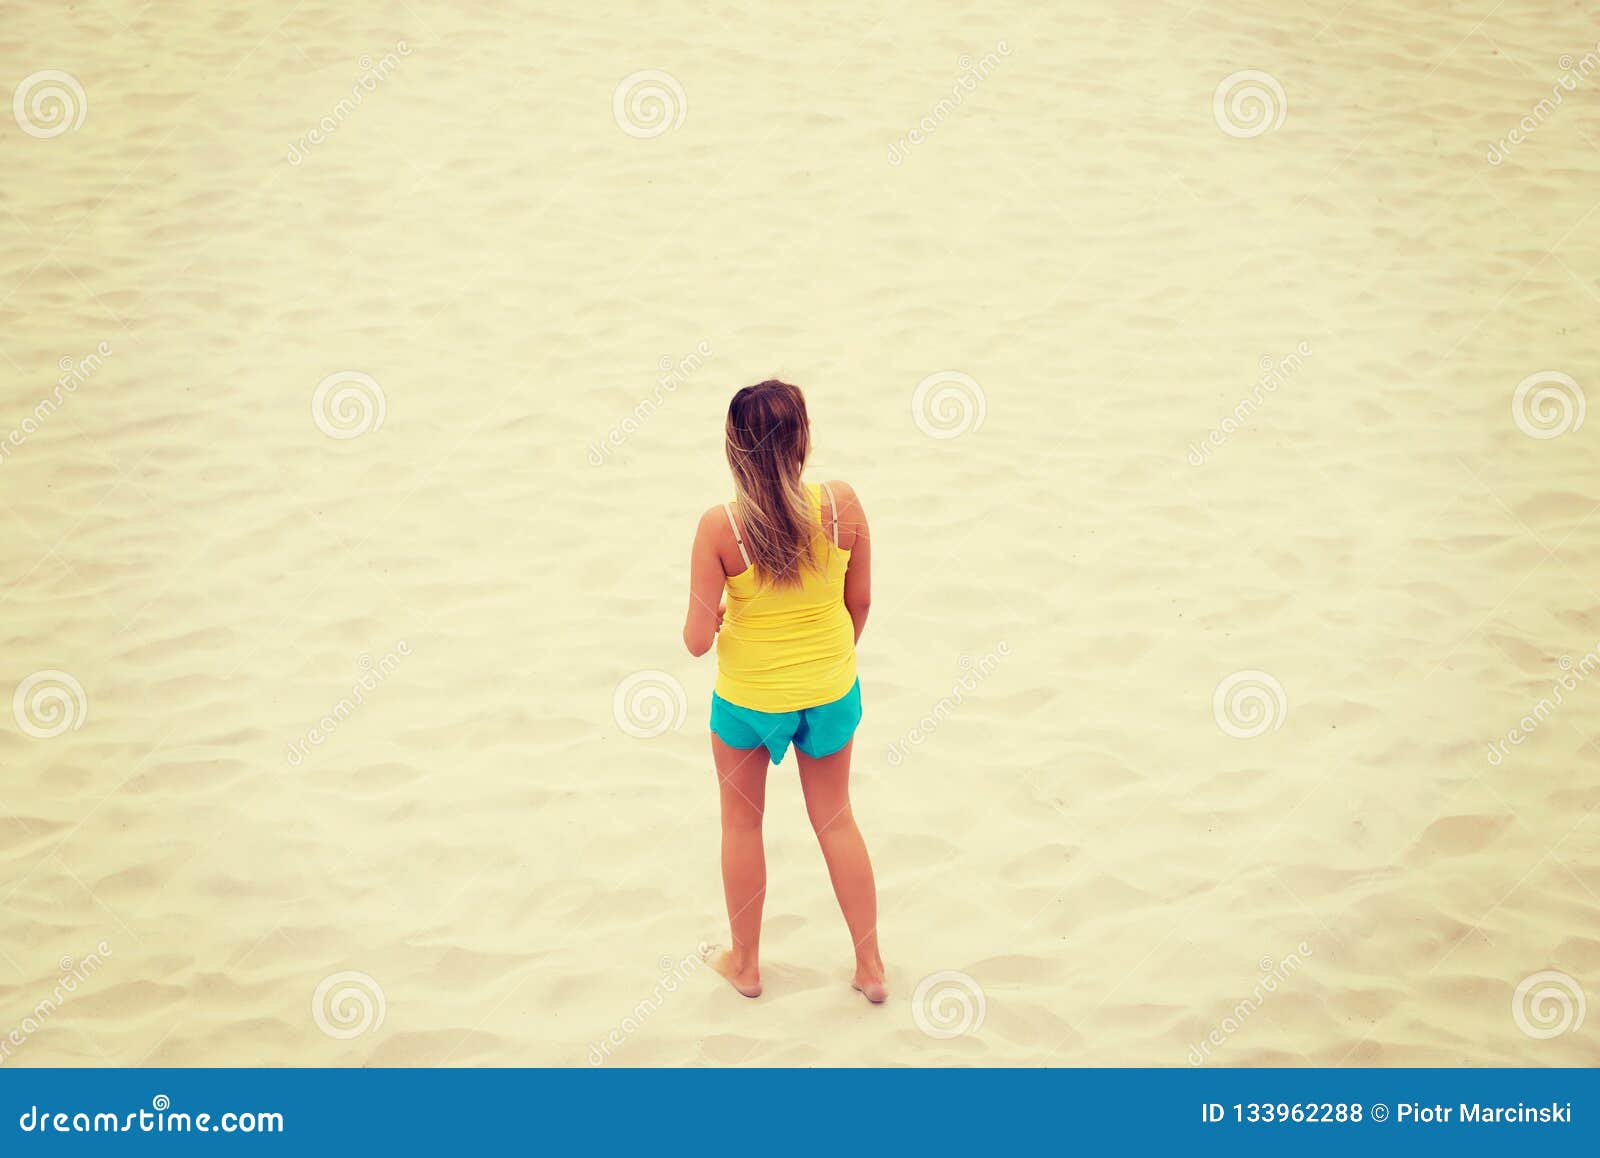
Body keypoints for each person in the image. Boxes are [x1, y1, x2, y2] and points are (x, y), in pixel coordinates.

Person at [682, 380, 885, 1003]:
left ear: (732, 450)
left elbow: (694, 641)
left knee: (742, 827)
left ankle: (746, 965)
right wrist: (825, 663)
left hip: (748, 700)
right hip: (829, 689)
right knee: (836, 819)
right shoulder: (842, 505)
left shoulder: (721, 527)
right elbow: (862, 603)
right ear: (803, 440)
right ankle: (871, 968)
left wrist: (715, 619)